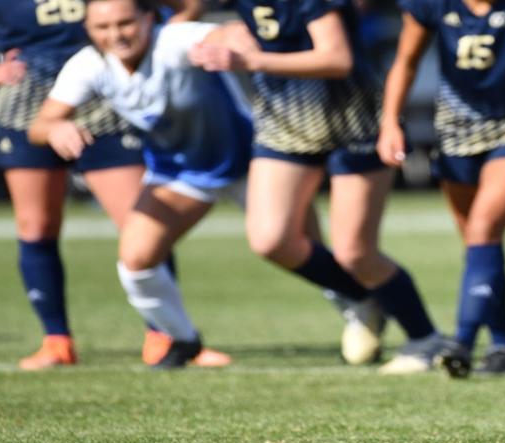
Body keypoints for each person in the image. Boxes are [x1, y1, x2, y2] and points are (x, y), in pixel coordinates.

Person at [189, 0, 461, 375]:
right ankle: (362, 298)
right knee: (270, 239)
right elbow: (188, 10)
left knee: (355, 253)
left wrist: (253, 61)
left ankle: (425, 339)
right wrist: (216, 34)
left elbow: (337, 58)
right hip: (284, 119)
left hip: (352, 118)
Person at [0, 0, 228, 368]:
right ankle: (56, 341)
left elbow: (191, 6)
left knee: (141, 223)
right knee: (36, 225)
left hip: (108, 101)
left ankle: (166, 335)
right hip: (28, 105)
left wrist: (167, 36)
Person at [377, 0, 505, 375]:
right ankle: (501, 345)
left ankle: (461, 343)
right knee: (479, 240)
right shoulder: (432, 5)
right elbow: (406, 60)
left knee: (484, 228)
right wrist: (389, 122)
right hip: (457, 129)